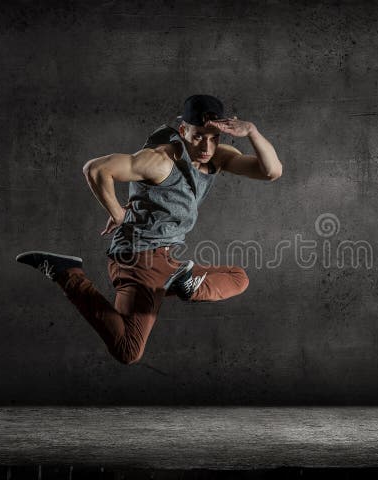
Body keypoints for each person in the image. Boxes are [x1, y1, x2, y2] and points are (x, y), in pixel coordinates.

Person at [16, 95, 282, 364]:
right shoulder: (160, 161)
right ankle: (67, 274)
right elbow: (95, 169)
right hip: (138, 259)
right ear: (183, 130)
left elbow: (271, 172)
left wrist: (252, 132)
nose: (207, 146)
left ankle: (186, 284)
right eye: (199, 136)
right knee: (128, 350)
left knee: (238, 277)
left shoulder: (217, 158)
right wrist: (118, 213)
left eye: (214, 137)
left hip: (166, 262)